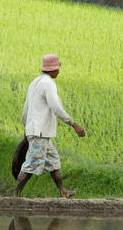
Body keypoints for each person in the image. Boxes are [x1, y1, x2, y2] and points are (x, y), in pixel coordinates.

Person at [15, 53, 85, 198]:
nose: (59, 71)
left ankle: (63, 192)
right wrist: (73, 124)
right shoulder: (48, 84)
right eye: (58, 68)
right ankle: (15, 195)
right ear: (52, 69)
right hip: (40, 133)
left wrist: (26, 128)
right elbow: (56, 107)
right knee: (32, 164)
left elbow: (26, 109)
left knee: (53, 162)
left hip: (38, 132)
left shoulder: (35, 82)